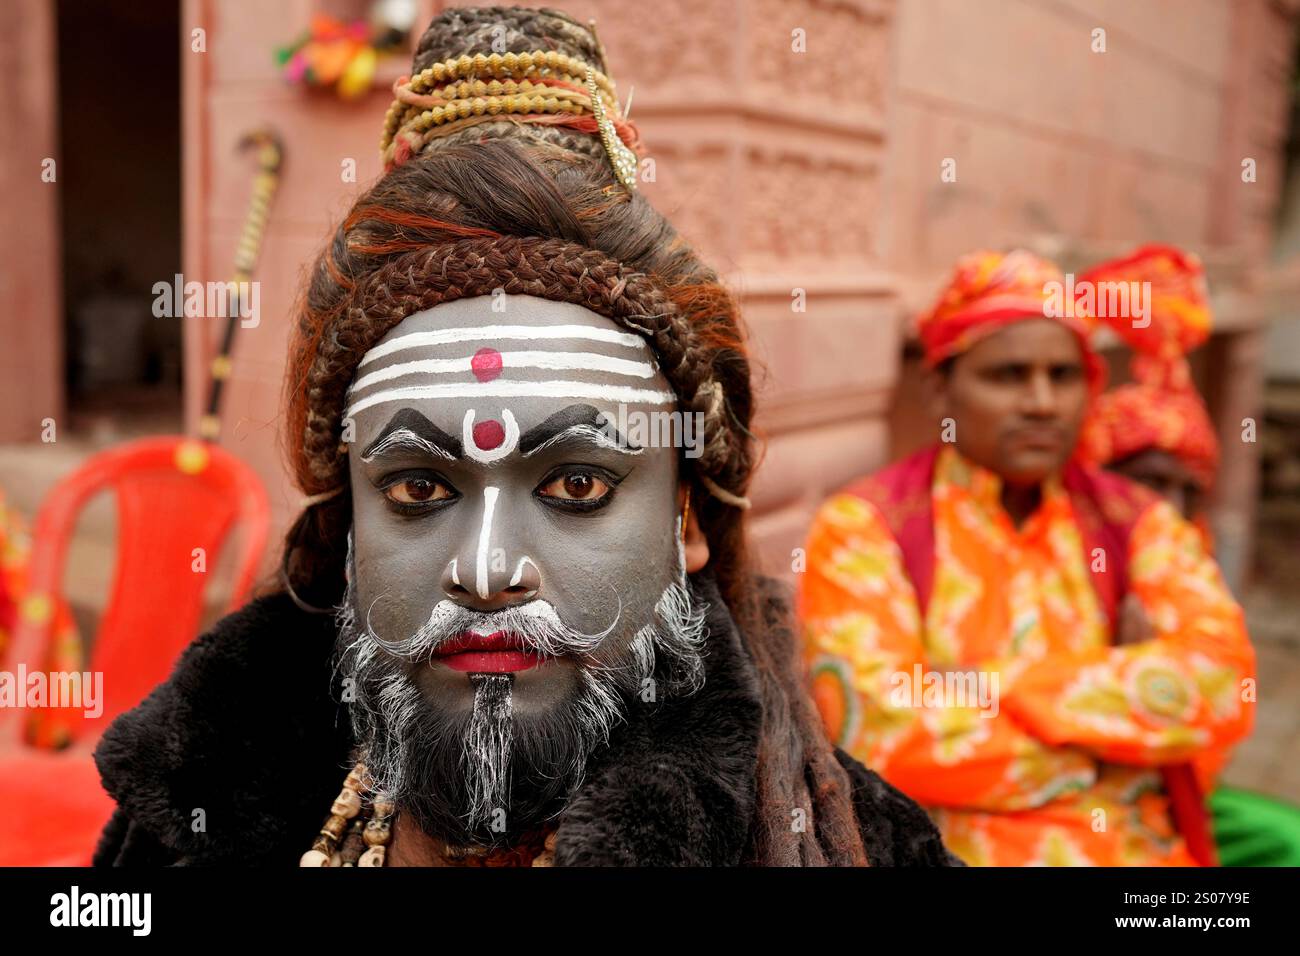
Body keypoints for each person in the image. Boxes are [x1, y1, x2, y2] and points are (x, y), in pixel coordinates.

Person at [90, 5, 956, 867]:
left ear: (685, 519)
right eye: (419, 488)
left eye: (577, 484)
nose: (488, 571)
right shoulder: (185, 821)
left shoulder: (846, 846)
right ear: (349, 522)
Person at [799, 248, 1256, 866]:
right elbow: (880, 736)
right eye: (1008, 375)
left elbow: (1224, 685)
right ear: (940, 387)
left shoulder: (1135, 523)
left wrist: (987, 688)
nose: (1041, 402)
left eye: (1062, 376)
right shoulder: (866, 528)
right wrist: (1112, 743)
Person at [1079, 244, 1300, 867]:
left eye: (1185, 489)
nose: (1166, 504)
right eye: (1147, 479)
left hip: (1178, 793)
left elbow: (1222, 710)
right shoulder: (1066, 561)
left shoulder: (1190, 564)